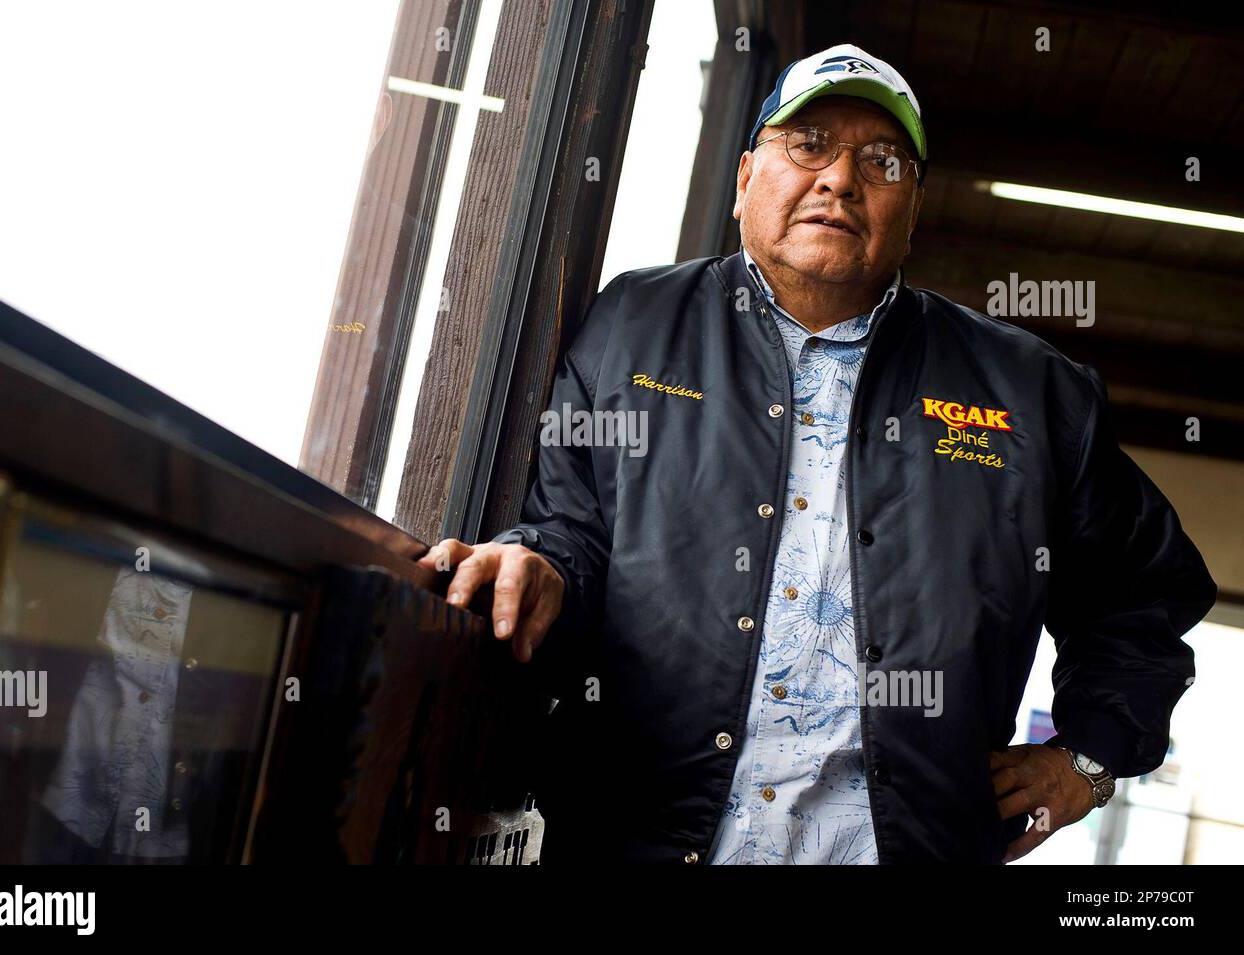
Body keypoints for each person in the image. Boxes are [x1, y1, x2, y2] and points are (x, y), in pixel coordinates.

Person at [419, 44, 1216, 864]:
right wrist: (533, 563)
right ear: (742, 180)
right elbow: (574, 532)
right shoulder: (635, 323)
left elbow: (1144, 595)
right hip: (634, 838)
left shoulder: (1033, 393)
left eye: (882, 160)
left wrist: (1087, 757)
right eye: (808, 144)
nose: (839, 178)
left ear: (913, 208)